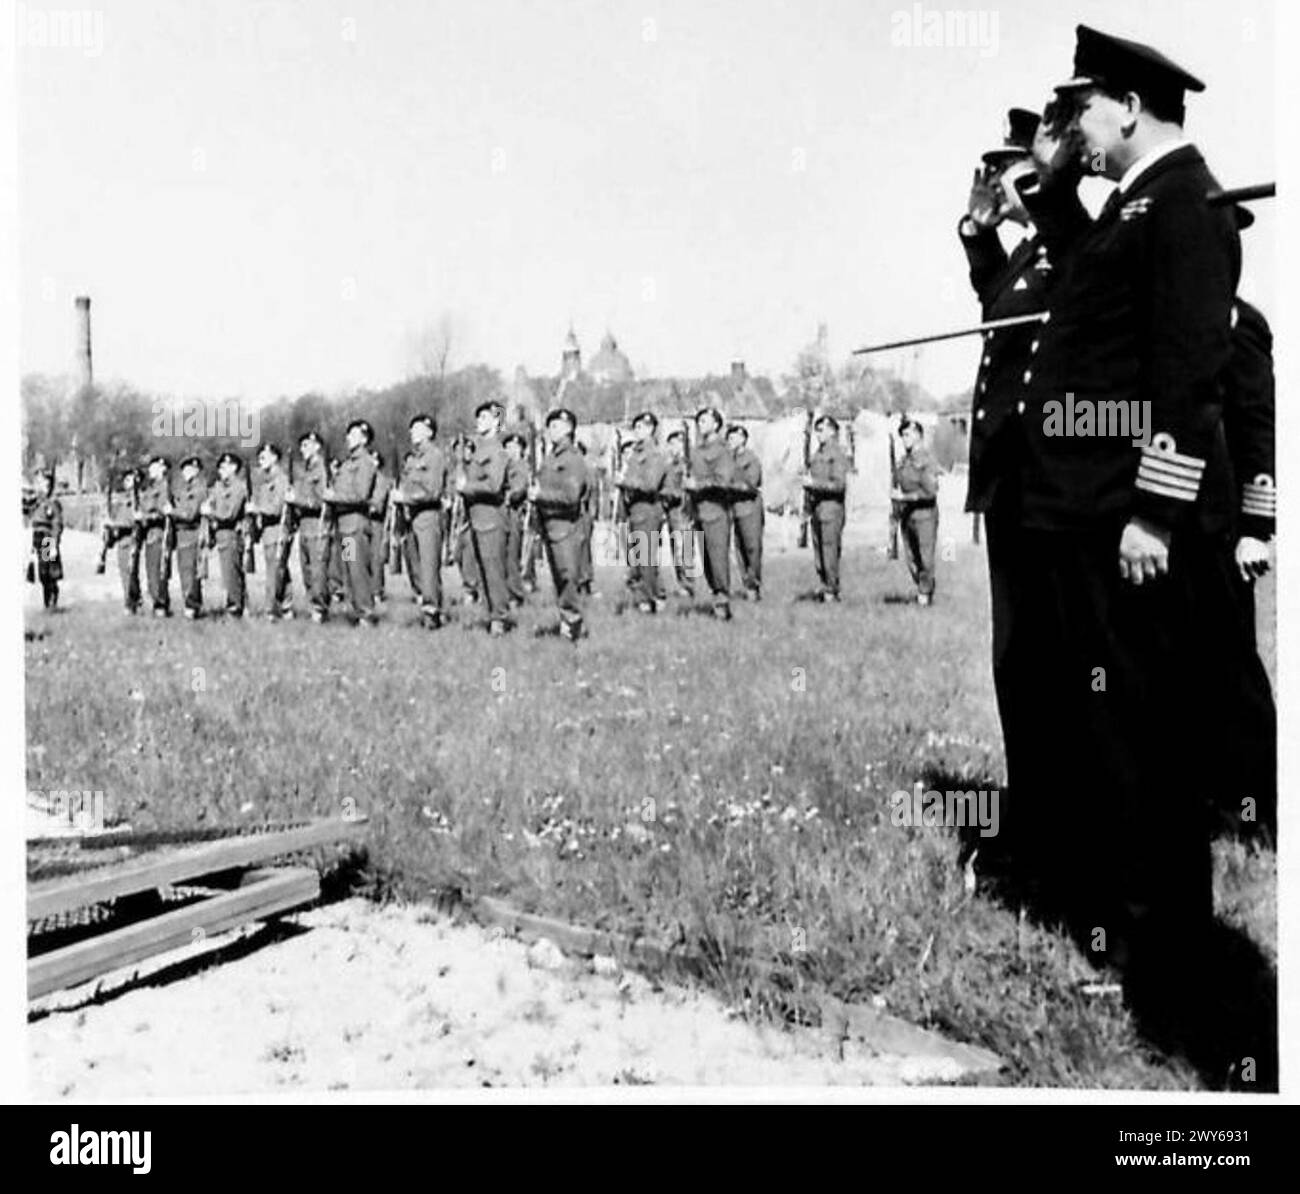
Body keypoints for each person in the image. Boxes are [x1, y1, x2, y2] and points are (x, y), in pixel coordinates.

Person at [1011, 25, 1241, 979]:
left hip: (1123, 518)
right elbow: (1075, 260)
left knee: (1142, 732)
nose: (1080, 125)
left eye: (1087, 109)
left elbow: (1188, 377)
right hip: (1082, 511)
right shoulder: (1134, 208)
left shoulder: (1186, 205)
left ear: (1130, 107)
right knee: (1101, 726)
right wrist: (1053, 173)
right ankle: (1118, 915)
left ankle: (1163, 947)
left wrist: (1153, 510)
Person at [530, 407, 590, 641]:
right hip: (550, 524)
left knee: (567, 576)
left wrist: (540, 495)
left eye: (555, 426)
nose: (550, 431)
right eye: (550, 426)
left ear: (569, 429)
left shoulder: (572, 459)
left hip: (566, 525)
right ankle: (568, 621)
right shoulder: (550, 458)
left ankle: (572, 623)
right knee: (559, 577)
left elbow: (571, 496)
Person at [457, 401, 511, 635]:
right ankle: (492, 615)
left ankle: (499, 617)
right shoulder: (480, 450)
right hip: (477, 518)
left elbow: (494, 484)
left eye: (485, 417)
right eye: (478, 417)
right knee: (482, 569)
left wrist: (466, 487)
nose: (479, 421)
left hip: (490, 519)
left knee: (492, 570)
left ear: (497, 422)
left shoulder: (496, 451)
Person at [394, 413, 450, 628]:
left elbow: (433, 491)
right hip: (410, 518)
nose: (412, 433)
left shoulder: (434, 456)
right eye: (411, 429)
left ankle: (432, 612)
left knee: (428, 567)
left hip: (427, 516)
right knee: (416, 567)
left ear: (429, 432)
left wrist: (405, 498)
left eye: (417, 429)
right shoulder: (412, 459)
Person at [684, 405, 736, 620]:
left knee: (718, 558)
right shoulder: (696, 451)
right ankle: (716, 594)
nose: (701, 424)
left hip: (716, 511)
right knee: (706, 560)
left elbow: (723, 481)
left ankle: (722, 601)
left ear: (716, 424)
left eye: (705, 420)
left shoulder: (723, 451)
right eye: (699, 421)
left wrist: (698, 484)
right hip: (699, 512)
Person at [325, 419, 379, 626]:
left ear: (364, 439)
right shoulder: (348, 464)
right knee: (349, 571)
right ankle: (357, 611)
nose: (349, 438)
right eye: (348, 434)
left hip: (356, 524)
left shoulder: (365, 463)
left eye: (354, 434)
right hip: (345, 525)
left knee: (358, 571)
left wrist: (333, 497)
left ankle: (366, 613)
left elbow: (360, 495)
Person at [617, 412, 670, 612]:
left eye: (643, 427)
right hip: (635, 509)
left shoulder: (654, 454)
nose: (638, 431)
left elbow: (650, 484)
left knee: (645, 558)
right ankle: (653, 595)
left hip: (648, 509)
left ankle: (649, 599)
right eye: (636, 427)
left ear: (651, 429)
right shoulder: (634, 455)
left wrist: (625, 482)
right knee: (640, 558)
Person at [892, 419, 940, 605]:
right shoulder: (904, 461)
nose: (904, 439)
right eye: (902, 435)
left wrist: (905, 497)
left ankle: (925, 594)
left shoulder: (927, 460)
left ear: (919, 435)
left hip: (924, 514)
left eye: (908, 435)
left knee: (925, 557)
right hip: (907, 514)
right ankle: (921, 589)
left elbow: (930, 492)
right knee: (911, 557)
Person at [801, 414, 849, 602]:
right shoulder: (817, 454)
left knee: (829, 550)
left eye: (822, 430)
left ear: (833, 432)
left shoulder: (836, 455)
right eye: (817, 430)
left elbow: (839, 485)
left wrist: (813, 483)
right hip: (817, 507)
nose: (818, 433)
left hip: (831, 507)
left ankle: (831, 590)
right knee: (819, 550)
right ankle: (825, 586)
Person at [287, 431, 330, 622]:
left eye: (307, 445)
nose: (303, 449)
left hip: (318, 525)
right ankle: (315, 605)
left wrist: (297, 500)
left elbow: (321, 501)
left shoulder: (321, 469)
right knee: (307, 569)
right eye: (302, 446)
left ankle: (321, 608)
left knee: (318, 569)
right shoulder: (305, 471)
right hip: (305, 525)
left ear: (317, 446)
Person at [203, 452, 249, 617]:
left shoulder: (238, 487)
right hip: (221, 534)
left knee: (232, 574)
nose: (221, 469)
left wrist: (211, 512)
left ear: (234, 468)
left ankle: (235, 608)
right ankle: (238, 606)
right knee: (228, 573)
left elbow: (230, 513)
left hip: (231, 534)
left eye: (225, 466)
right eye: (220, 466)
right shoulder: (219, 487)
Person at [250, 442, 293, 619]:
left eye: (264, 457)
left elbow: (276, 508)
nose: (261, 461)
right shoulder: (266, 481)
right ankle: (286, 606)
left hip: (278, 531)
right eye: (259, 458)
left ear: (275, 458)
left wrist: (257, 509)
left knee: (274, 572)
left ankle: (271, 609)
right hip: (269, 532)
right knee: (279, 570)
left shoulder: (281, 480)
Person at [168, 454, 208, 618]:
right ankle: (189, 604)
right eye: (185, 469)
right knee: (184, 571)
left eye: (191, 469)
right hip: (181, 534)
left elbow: (190, 514)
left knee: (190, 573)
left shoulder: (199, 489)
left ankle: (192, 607)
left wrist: (172, 512)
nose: (187, 472)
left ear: (197, 470)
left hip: (192, 533)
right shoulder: (182, 489)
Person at [726, 424, 764, 601]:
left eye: (734, 437)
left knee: (752, 547)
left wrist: (729, 486)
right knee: (739, 548)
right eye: (729, 438)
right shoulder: (728, 459)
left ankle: (753, 585)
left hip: (750, 508)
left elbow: (751, 484)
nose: (730, 441)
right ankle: (746, 584)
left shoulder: (751, 459)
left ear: (743, 439)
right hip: (735, 509)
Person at [135, 455, 172, 616]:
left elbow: (161, 512)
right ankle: (157, 603)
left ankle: (161, 605)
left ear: (162, 469)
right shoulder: (149, 488)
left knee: (158, 571)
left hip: (158, 533)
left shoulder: (164, 487)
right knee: (151, 571)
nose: (150, 470)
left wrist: (143, 516)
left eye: (154, 467)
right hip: (149, 533)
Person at [663, 429, 696, 598]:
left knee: (686, 548)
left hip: (685, 509)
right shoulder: (669, 466)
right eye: (672, 444)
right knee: (676, 548)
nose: (674, 447)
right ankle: (681, 582)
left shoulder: (689, 465)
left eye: (678, 443)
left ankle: (688, 584)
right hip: (672, 510)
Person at [502, 432, 531, 609]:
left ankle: (515, 594)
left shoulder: (520, 466)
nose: (510, 450)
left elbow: (518, 489)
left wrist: (504, 496)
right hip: (502, 513)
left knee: (512, 556)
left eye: (514, 447)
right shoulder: (504, 466)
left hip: (513, 512)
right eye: (508, 447)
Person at [29, 471, 63, 610]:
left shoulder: (53, 502)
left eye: (47, 485)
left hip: (47, 538)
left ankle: (52, 599)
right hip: (38, 537)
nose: (44, 487)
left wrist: (54, 542)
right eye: (42, 484)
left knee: (48, 571)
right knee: (42, 572)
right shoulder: (37, 501)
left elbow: (57, 523)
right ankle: (46, 601)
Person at [368, 447, 394, 609]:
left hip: (373, 523)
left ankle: (376, 591)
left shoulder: (381, 480)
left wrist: (355, 502)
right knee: (348, 556)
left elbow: (377, 505)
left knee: (375, 558)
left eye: (375, 460)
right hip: (349, 522)